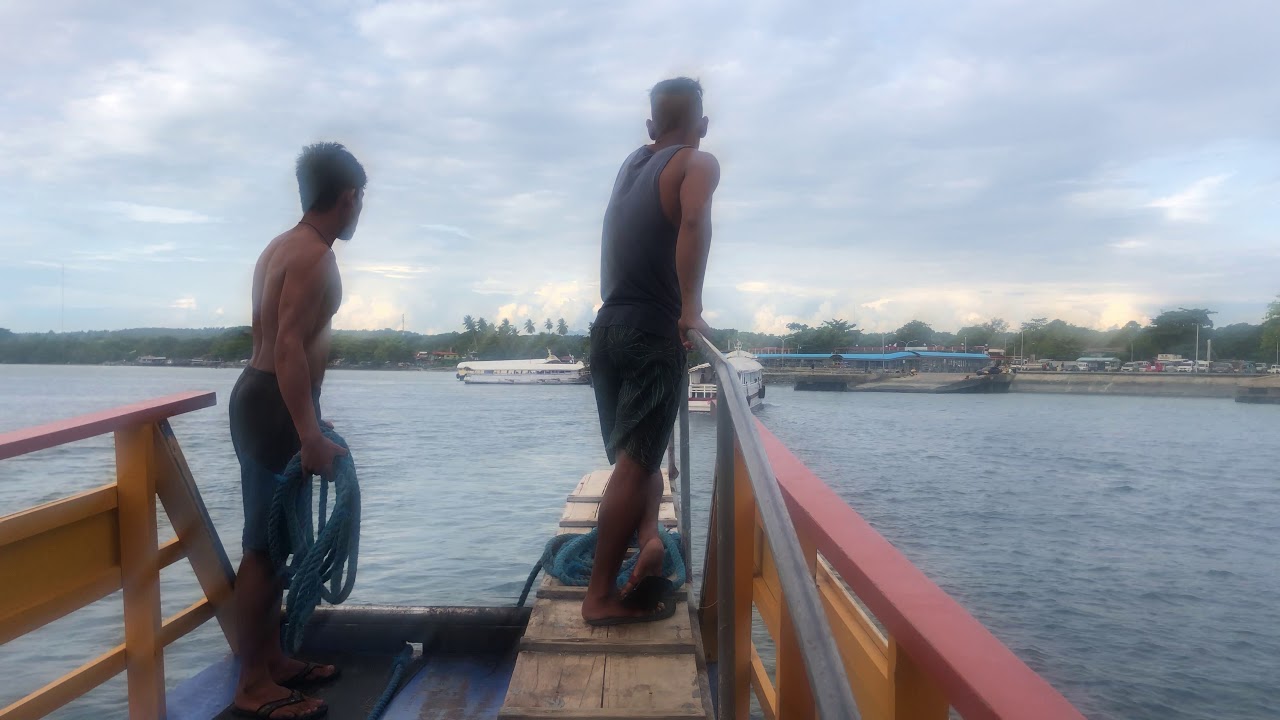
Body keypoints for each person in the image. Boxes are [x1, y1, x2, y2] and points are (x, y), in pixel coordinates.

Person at [227, 142, 365, 719]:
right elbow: (288, 344)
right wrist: (307, 432)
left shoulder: (281, 246)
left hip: (264, 399)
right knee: (262, 552)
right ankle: (252, 685)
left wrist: (308, 412)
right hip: (272, 407)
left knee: (277, 542)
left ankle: (273, 661)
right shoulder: (315, 257)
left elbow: (285, 341)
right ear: (349, 197)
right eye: (361, 200)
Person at [584, 77, 720, 625]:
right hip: (650, 332)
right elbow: (693, 221)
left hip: (607, 329)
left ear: (649, 128)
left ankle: (648, 541)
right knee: (636, 464)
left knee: (634, 460)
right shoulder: (697, 163)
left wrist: (650, 534)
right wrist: (690, 308)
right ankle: (598, 598)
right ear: (702, 125)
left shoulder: (630, 166)